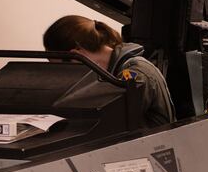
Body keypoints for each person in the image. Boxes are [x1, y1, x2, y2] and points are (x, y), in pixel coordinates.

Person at [42, 15, 175, 127]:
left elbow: (115, 122)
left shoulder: (135, 73)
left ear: (77, 55)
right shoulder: (112, 72)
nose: (66, 75)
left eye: (62, 68)